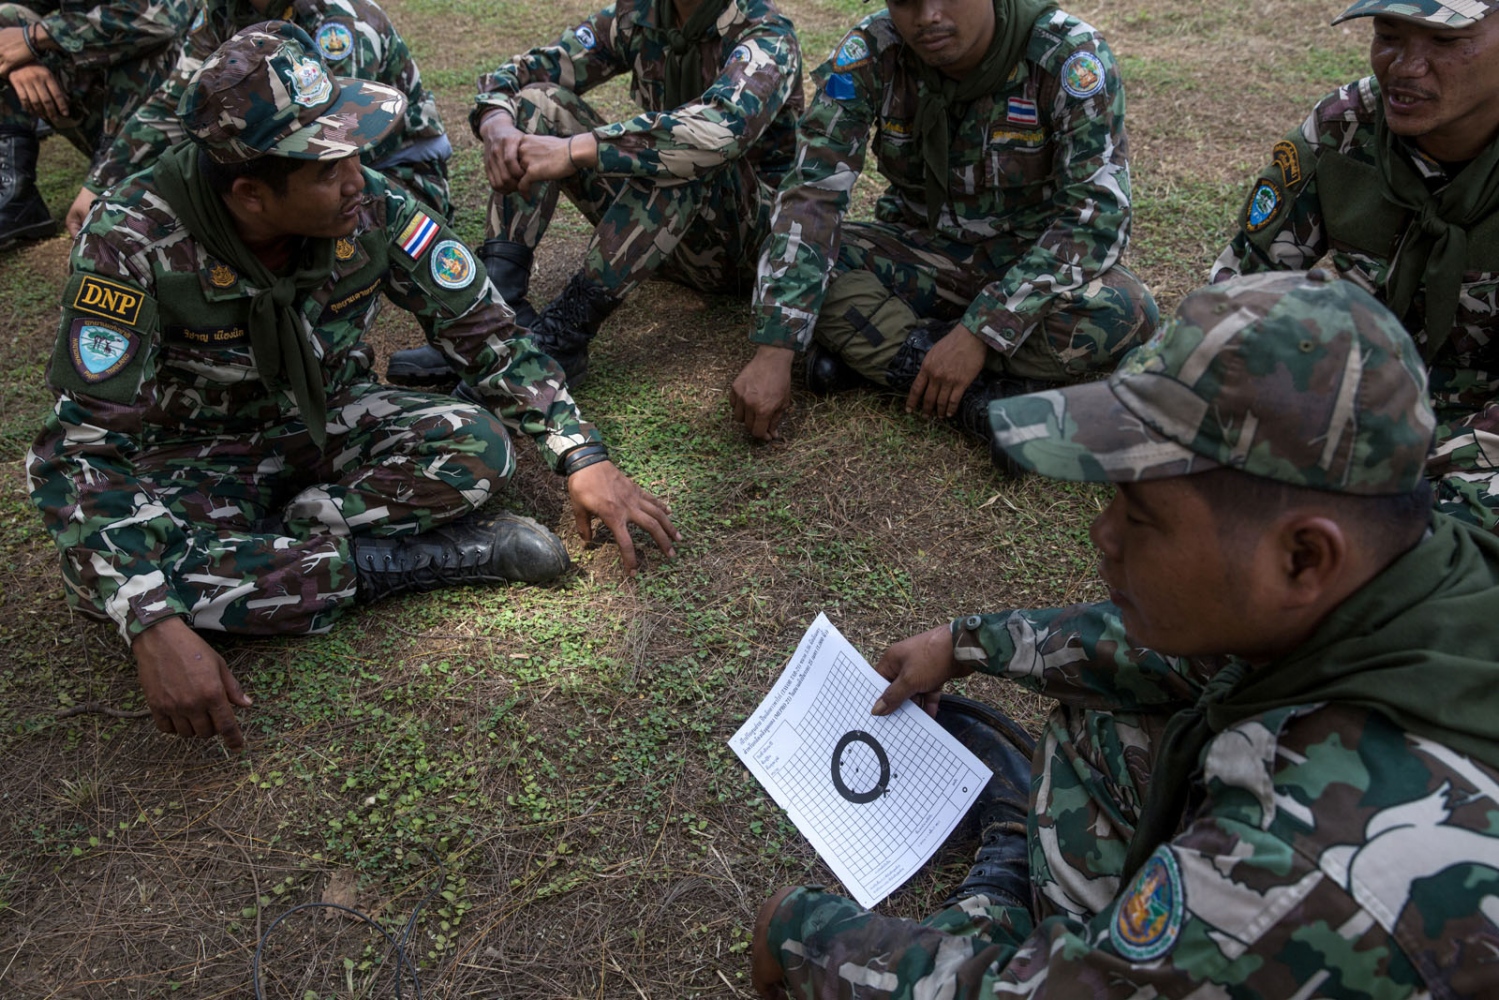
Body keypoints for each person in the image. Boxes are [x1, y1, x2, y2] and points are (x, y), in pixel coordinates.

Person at [751, 270, 1499, 999]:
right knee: (1098, 726)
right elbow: (1181, 658)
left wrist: (802, 935)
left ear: (1304, 556)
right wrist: (968, 642)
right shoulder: (1427, 574)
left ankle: (1016, 907)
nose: (1101, 535)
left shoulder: (1309, 863)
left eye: (1140, 517)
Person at [26, 23, 679, 754]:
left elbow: (483, 331)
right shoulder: (131, 241)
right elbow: (79, 452)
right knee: (104, 584)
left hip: (325, 421)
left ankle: (282, 540)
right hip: (193, 456)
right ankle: (391, 564)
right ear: (251, 194)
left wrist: (580, 453)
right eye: (327, 167)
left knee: (476, 447)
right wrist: (150, 621)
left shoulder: (369, 207)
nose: (358, 179)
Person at [728, 0, 1158, 461]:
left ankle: (880, 353)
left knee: (1127, 312)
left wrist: (982, 330)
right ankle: (980, 398)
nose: (927, 16)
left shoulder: (1069, 57)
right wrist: (774, 349)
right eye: (907, 1)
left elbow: (1097, 219)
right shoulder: (873, 49)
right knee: (803, 264)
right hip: (922, 254)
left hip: (1028, 258)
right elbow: (813, 193)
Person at [384, 0, 804, 387]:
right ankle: (491, 318)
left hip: (746, 244)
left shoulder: (766, 36)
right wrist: (496, 121)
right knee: (536, 104)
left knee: (686, 154)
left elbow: (717, 133)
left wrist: (575, 151)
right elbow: (533, 70)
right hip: (661, 236)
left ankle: (564, 335)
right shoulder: (640, 14)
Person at [1212, 0, 1499, 533]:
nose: (1405, 68)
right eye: (1388, 35)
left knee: (1442, 536)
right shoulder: (1346, 127)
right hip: (1363, 391)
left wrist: (1434, 459)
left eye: (1445, 43)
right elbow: (1242, 288)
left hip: (1485, 428)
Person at [64, 0, 451, 237]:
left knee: (242, 222)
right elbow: (173, 101)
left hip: (391, 171)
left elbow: (334, 143)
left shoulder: (339, 21)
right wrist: (100, 183)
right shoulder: (223, 9)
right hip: (300, 164)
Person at [0, 0, 194, 246]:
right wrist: (19, 62)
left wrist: (36, 37)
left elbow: (160, 21)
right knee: (6, 16)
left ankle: (123, 184)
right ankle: (15, 194)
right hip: (102, 113)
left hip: (172, 119)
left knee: (147, 43)